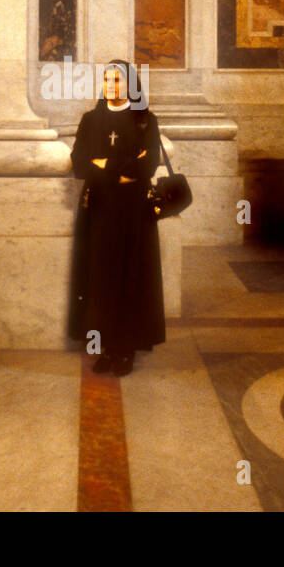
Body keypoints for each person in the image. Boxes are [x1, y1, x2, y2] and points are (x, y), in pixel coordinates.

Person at [66, 61, 166, 377]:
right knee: (100, 280)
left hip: (134, 213)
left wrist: (104, 166)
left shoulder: (145, 121)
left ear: (130, 85)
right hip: (98, 210)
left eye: (118, 80)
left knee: (130, 279)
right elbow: (79, 162)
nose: (111, 84)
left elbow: (147, 164)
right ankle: (106, 347)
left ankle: (126, 350)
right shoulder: (91, 119)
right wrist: (119, 170)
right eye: (107, 79)